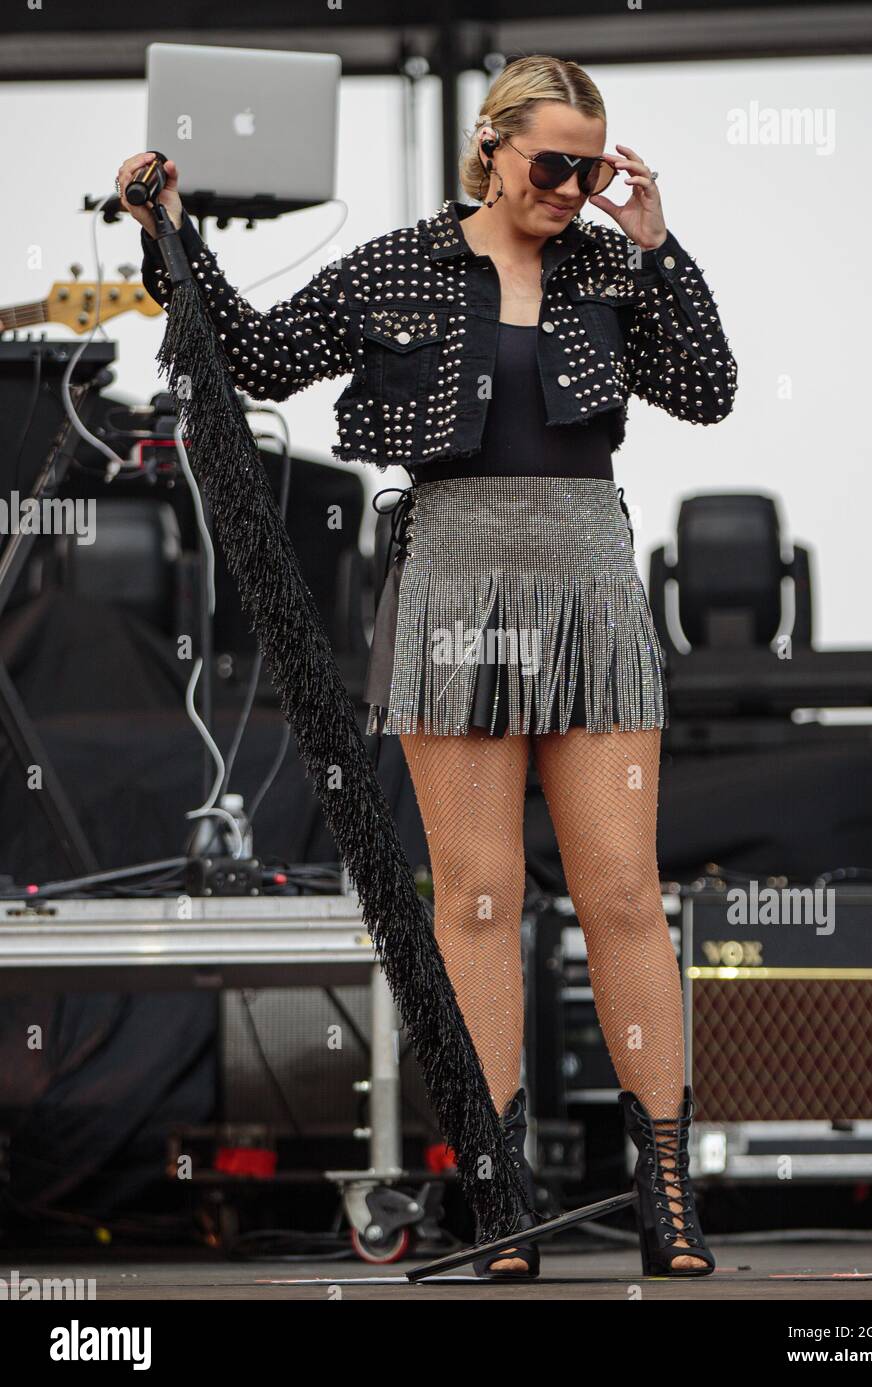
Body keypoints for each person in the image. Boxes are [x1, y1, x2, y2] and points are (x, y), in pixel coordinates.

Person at [118, 53, 736, 1281]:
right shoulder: (402, 261)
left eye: (591, 164)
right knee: (479, 897)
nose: (572, 185)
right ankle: (499, 1194)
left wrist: (657, 238)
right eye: (554, 162)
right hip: (455, 574)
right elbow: (261, 354)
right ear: (493, 149)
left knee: (620, 892)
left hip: (588, 580)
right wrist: (171, 237)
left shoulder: (610, 262)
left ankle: (665, 1191)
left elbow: (708, 387)